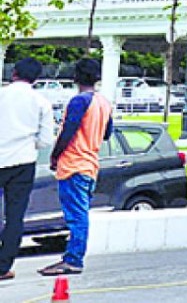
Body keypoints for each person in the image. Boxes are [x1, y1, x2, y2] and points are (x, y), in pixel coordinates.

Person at [38, 58, 113, 277]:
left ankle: (73, 259)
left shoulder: (79, 101)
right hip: (90, 164)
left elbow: (67, 131)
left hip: (73, 164)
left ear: (76, 77)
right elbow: (107, 133)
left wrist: (54, 156)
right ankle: (72, 257)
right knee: (79, 213)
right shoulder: (104, 103)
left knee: (76, 216)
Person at [0, 58, 56, 282]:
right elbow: (45, 141)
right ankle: (3, 266)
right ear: (36, 79)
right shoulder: (41, 102)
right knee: (15, 216)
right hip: (23, 162)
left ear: (14, 73)